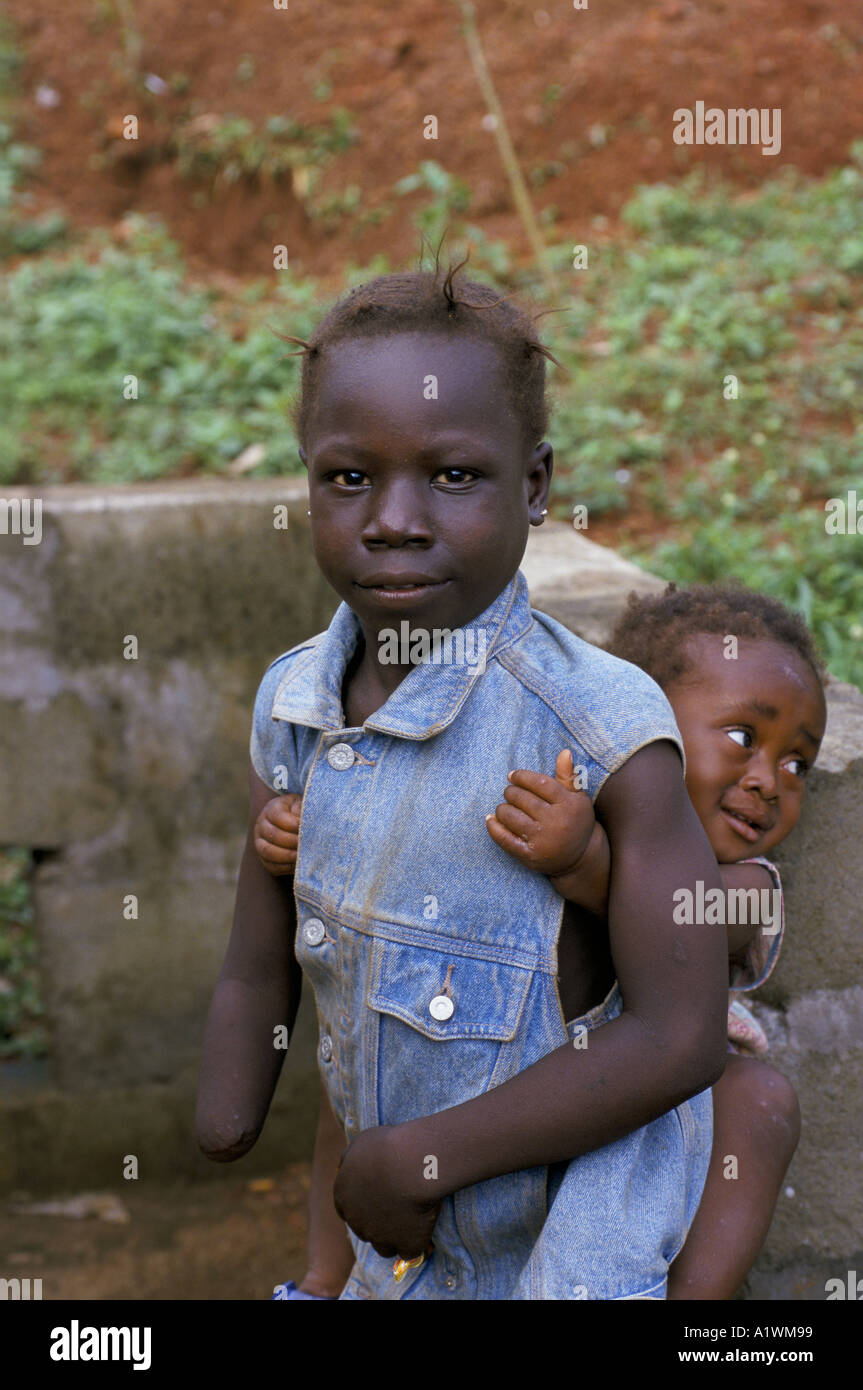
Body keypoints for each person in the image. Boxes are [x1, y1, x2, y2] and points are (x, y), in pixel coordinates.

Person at [195, 260, 730, 1300]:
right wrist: (228, 1107)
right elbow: (259, 953)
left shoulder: (602, 727)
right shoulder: (294, 706)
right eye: (348, 477)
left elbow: (679, 1033)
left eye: (451, 476)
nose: (392, 517)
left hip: (568, 1251)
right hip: (394, 1256)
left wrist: (420, 1154)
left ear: (532, 485)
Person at [256, 582, 827, 1300]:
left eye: (796, 763)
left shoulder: (746, 884)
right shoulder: (568, 780)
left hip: (645, 1124)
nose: (769, 781)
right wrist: (308, 834)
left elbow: (689, 917)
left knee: (757, 1101)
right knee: (362, 1064)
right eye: (745, 737)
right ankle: (323, 1280)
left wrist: (585, 862)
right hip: (495, 1080)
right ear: (632, 720)